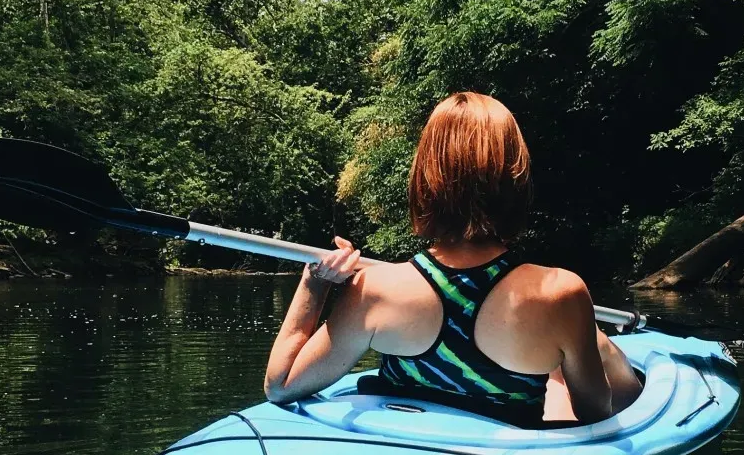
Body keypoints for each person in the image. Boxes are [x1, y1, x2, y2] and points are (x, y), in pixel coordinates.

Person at [263, 92, 643, 425]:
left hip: (403, 446)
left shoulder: (375, 288)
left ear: (425, 177)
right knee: (572, 363)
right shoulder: (560, 293)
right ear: (516, 177)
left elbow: (280, 387)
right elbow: (596, 414)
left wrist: (315, 284)